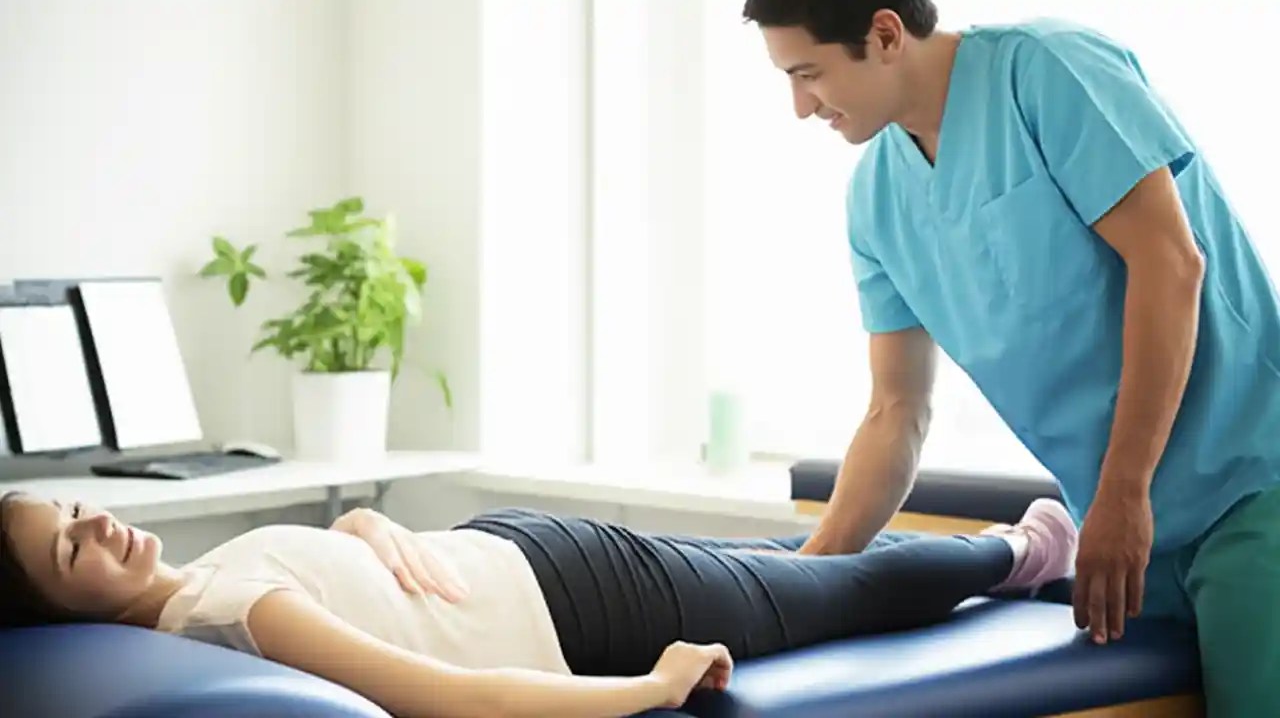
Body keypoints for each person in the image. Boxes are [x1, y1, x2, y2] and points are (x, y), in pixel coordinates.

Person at [739, 0, 1280, 715]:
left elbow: (1172, 264)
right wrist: (803, 584)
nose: (802, 107)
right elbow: (895, 411)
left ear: (885, 33)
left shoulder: (1047, 72)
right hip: (1128, 538)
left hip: (1249, 491)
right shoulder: (875, 200)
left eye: (810, 74)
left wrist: (1123, 495)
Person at [0, 489, 1075, 718]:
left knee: (802, 573)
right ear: (64, 613)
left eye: (78, 507)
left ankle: (1017, 554)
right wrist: (644, 687)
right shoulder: (233, 618)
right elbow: (457, 698)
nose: (99, 523)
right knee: (824, 583)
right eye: (69, 545)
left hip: (525, 554)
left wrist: (365, 528)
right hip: (583, 604)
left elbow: (324, 555)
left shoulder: (206, 576)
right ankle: (1022, 551)